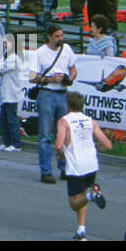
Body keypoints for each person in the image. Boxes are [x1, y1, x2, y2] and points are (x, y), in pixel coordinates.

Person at [55, 90, 111, 241]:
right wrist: (93, 148)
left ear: (67, 105)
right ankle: (81, 231)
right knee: (82, 197)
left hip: (76, 166)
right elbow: (107, 145)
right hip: (91, 164)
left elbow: (59, 144)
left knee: (74, 203)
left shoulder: (64, 121)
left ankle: (91, 196)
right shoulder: (90, 121)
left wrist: (61, 155)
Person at [31, 23, 78, 183]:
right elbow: (32, 77)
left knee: (64, 133)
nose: (60, 39)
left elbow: (73, 69)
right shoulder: (40, 53)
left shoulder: (66, 50)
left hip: (63, 94)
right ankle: (46, 171)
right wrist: (50, 79)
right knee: (45, 134)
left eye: (61, 35)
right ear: (49, 36)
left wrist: (69, 78)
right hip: (47, 93)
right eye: (57, 36)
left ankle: (64, 167)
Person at [0, 39, 28, 152]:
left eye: (6, 43)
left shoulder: (14, 58)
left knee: (12, 120)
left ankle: (16, 144)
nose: (4, 45)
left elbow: (0, 68)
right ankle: (6, 142)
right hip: (5, 93)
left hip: (12, 93)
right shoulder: (7, 56)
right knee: (3, 119)